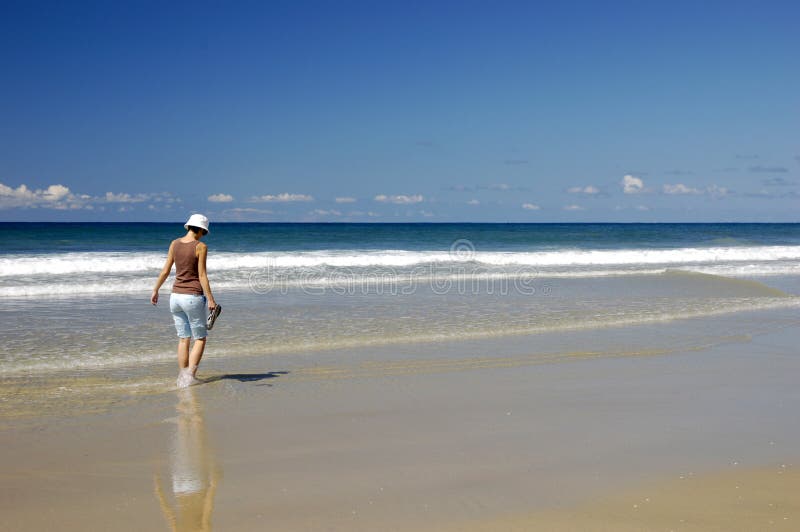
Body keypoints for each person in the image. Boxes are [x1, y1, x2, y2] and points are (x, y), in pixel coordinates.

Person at [151, 214, 217, 388]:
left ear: (189, 226)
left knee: (183, 338)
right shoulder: (200, 246)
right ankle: (189, 378)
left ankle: (182, 377)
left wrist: (155, 289)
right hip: (192, 297)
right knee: (200, 338)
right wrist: (210, 298)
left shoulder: (174, 243)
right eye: (204, 232)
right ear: (201, 230)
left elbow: (165, 270)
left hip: (175, 297)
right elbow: (202, 275)